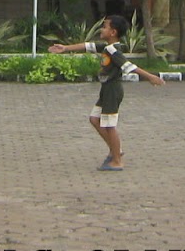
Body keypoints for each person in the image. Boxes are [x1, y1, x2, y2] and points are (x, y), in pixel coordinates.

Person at [49, 15, 164, 171]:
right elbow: (87, 46)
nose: (101, 29)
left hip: (113, 90)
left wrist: (150, 77)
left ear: (113, 32)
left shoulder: (113, 50)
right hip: (106, 88)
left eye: (105, 27)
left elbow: (129, 66)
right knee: (94, 119)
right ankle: (116, 150)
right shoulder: (107, 47)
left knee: (110, 126)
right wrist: (65, 48)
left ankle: (117, 160)